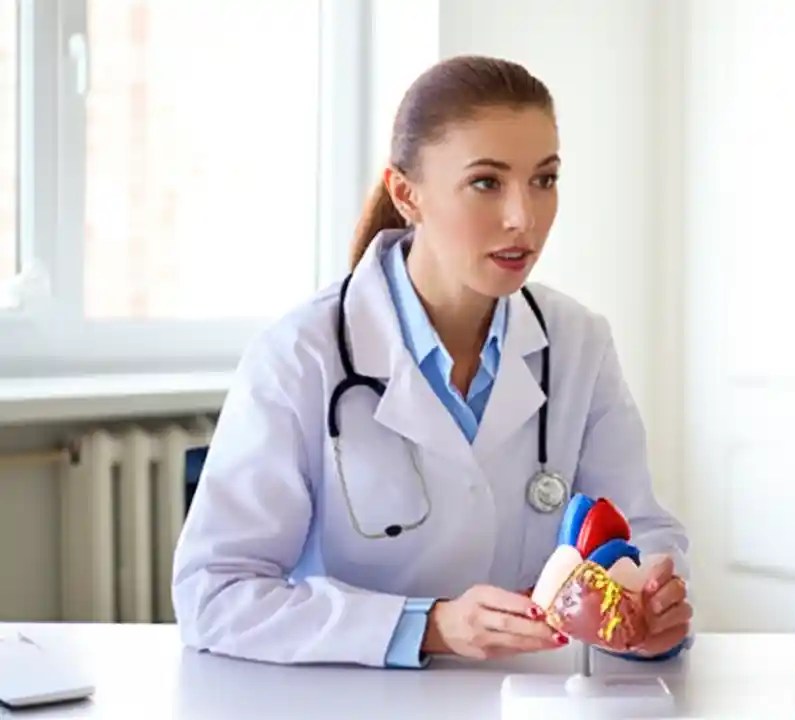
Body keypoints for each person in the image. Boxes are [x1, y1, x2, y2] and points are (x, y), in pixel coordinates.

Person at [172, 55, 692, 668]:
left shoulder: (578, 342)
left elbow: (638, 535)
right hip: (347, 703)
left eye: (544, 180)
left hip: (522, 697)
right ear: (406, 194)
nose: (522, 217)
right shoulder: (302, 354)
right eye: (486, 183)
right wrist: (426, 626)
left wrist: (652, 609)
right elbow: (216, 593)